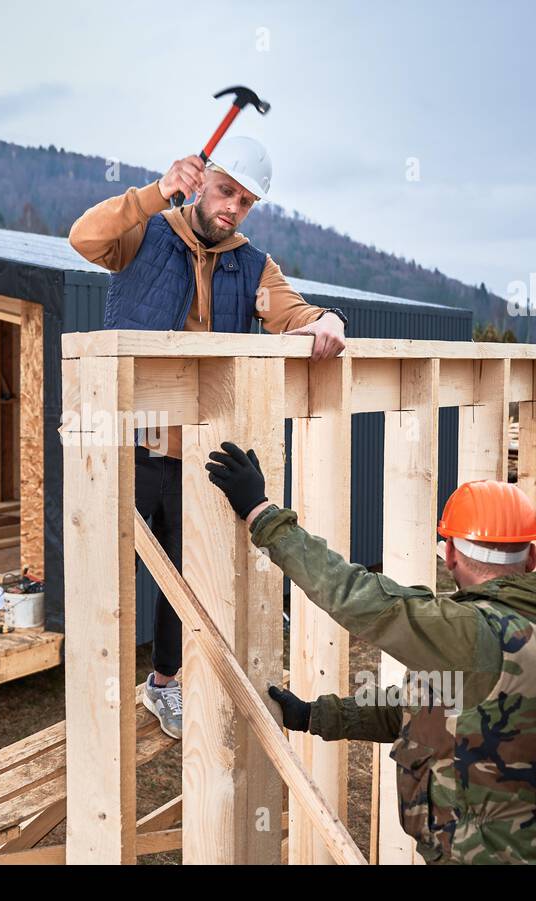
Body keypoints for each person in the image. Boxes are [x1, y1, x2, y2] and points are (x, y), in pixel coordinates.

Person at [68, 137, 348, 739]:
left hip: (194, 452)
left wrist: (328, 320)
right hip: (129, 444)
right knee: (104, 573)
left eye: (245, 202)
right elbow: (83, 238)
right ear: (200, 182)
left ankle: (162, 685)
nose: (233, 210)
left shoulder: (252, 265)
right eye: (226, 193)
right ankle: (94, 697)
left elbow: (292, 312)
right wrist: (151, 192)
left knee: (183, 574)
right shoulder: (145, 232)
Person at [205, 441, 536, 864]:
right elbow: (431, 710)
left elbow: (354, 595)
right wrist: (315, 715)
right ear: (531, 557)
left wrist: (262, 515)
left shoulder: (472, 632)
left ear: (452, 556)